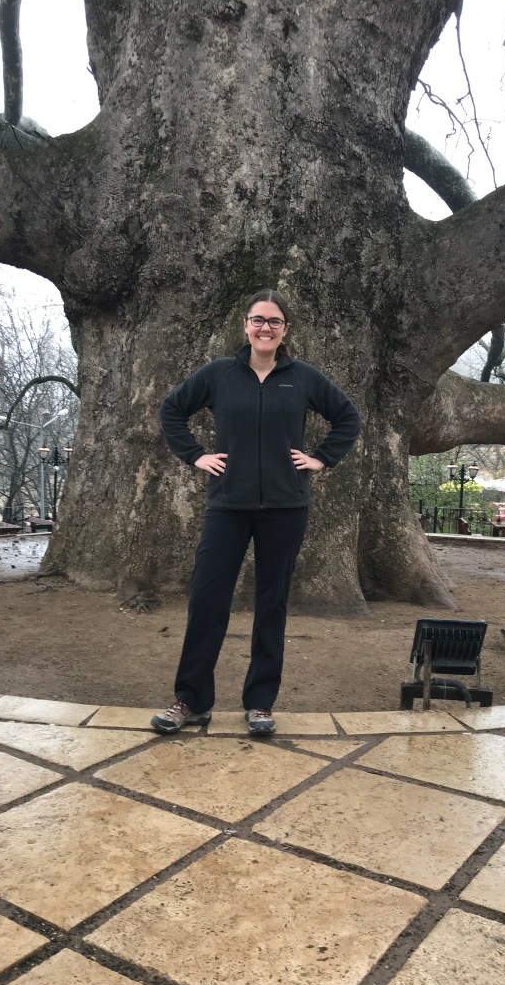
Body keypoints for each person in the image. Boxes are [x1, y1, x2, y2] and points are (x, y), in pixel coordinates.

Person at [151, 288, 361, 736]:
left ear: (286, 330)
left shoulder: (303, 378)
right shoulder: (219, 375)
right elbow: (172, 410)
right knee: (207, 602)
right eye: (258, 320)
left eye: (274, 321)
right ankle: (190, 700)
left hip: (286, 508)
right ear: (245, 325)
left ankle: (260, 703)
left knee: (272, 605)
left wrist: (321, 457)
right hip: (227, 505)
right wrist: (195, 455)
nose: (265, 328)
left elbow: (347, 417)